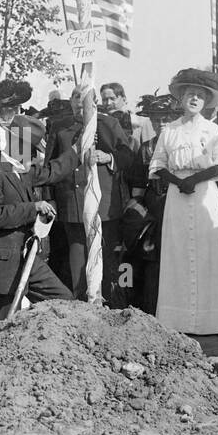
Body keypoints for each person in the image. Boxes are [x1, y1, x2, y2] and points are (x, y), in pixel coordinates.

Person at [148, 68, 218, 335]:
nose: (194, 99)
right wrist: (177, 181)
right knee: (178, 252)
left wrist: (194, 181)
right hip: (178, 194)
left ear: (206, 101)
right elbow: (157, 163)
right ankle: (177, 320)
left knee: (207, 252)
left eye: (199, 95)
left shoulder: (212, 129)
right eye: (189, 95)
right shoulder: (170, 131)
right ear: (181, 99)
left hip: (205, 192)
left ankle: (211, 320)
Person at [0, 115, 80, 319]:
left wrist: (76, 151)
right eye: (31, 147)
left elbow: (52, 172)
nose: (34, 154)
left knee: (63, 299)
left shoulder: (23, 170)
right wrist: (33, 207)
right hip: (3, 262)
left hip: (28, 257)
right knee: (6, 319)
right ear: (16, 142)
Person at [46, 83, 134, 305]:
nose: (78, 102)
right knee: (77, 259)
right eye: (75, 97)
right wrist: (50, 199)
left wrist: (108, 157)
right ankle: (81, 308)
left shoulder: (108, 124)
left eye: (84, 97)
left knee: (106, 258)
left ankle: (111, 305)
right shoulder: (59, 127)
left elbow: (127, 157)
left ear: (93, 102)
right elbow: (50, 166)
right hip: (72, 203)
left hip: (102, 205)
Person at [122, 93, 181, 315]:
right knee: (151, 256)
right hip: (153, 205)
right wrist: (135, 208)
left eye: (166, 118)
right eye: (156, 119)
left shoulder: (182, 142)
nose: (161, 123)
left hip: (179, 202)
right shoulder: (146, 147)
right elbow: (138, 183)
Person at [101, 82, 156, 150]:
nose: (108, 103)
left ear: (124, 99)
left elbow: (149, 151)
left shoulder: (141, 123)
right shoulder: (101, 124)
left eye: (112, 99)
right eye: (104, 100)